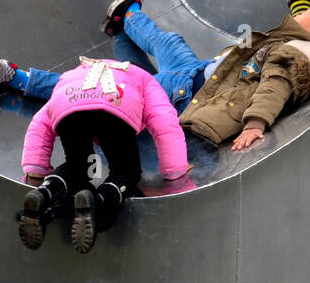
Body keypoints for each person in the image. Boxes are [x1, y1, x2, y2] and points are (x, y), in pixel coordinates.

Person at [0, 0, 310, 174]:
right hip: (199, 75)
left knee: (104, 84)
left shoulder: (304, 54)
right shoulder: (286, 41)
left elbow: (275, 84)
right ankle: (126, 20)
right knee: (169, 42)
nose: (305, 10)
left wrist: (255, 122)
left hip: (190, 94)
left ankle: (19, 79)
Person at [17, 55, 188, 254]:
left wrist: (36, 168)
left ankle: (45, 192)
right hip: (114, 109)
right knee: (126, 171)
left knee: (78, 166)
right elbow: (165, 123)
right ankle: (98, 201)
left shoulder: (76, 73)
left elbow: (41, 122)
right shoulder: (145, 79)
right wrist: (175, 171)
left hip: (69, 105)